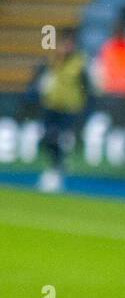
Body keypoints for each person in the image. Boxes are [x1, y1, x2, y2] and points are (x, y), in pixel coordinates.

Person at [27, 29, 91, 193]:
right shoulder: (51, 61)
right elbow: (39, 80)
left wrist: (84, 109)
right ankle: (55, 170)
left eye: (69, 43)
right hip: (51, 106)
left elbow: (87, 88)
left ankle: (57, 173)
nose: (65, 47)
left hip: (70, 109)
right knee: (49, 138)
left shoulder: (80, 63)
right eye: (64, 43)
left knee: (60, 140)